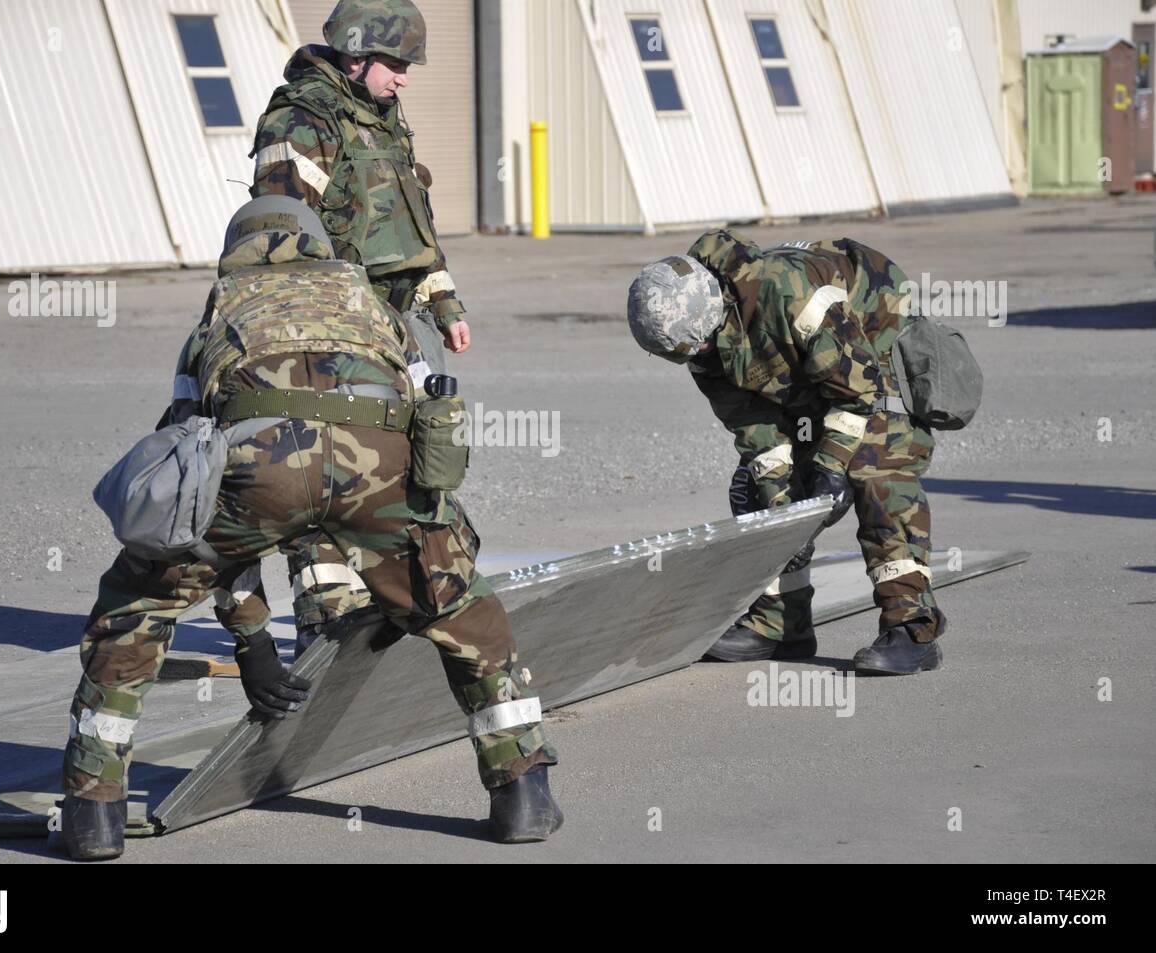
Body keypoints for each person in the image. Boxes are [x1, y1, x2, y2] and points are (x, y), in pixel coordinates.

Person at [56, 197, 561, 860]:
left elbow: (189, 478)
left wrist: (252, 640)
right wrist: (415, 571)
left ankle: (95, 808)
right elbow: (425, 407)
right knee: (466, 614)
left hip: (258, 467)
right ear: (319, 245)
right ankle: (522, 792)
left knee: (135, 604)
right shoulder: (369, 301)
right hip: (376, 462)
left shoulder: (221, 306)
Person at [247, 0, 469, 649]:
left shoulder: (382, 119)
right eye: (396, 64)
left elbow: (411, 222)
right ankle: (325, 613)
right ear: (355, 52)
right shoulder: (303, 121)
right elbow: (278, 232)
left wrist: (444, 303)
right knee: (326, 467)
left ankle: (395, 593)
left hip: (391, 325)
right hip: (331, 330)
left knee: (404, 458)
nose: (404, 78)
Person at [627, 230, 946, 677]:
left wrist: (831, 467)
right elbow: (752, 425)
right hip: (812, 373)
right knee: (758, 487)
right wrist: (783, 503)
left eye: (695, 347)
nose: (695, 357)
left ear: (713, 312)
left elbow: (857, 393)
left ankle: (912, 624)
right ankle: (780, 625)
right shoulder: (699, 343)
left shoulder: (792, 296)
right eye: (683, 354)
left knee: (876, 469)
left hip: (875, 355)